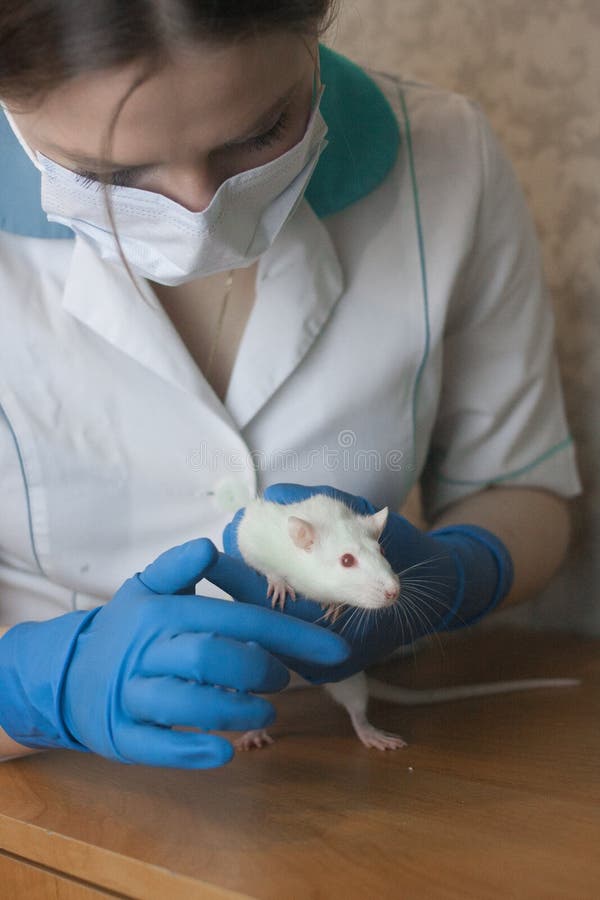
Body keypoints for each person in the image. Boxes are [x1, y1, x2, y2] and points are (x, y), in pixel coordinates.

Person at [0, 1, 580, 768]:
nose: (198, 212)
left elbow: (525, 487)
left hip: (334, 769)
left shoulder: (446, 155)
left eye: (258, 134)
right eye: (110, 176)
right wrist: (39, 688)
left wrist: (458, 571)